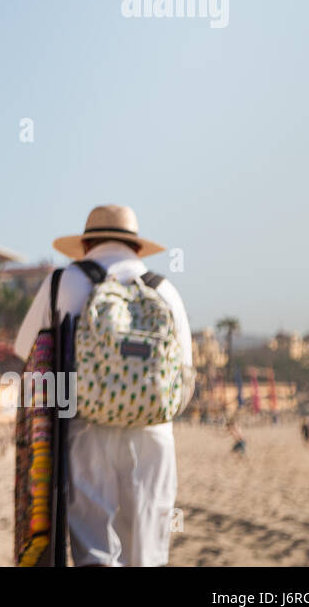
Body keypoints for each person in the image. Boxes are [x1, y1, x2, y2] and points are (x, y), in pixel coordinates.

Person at [13, 205, 193, 567]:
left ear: (86, 243)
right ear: (138, 247)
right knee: (147, 553)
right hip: (154, 432)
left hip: (84, 426)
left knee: (94, 548)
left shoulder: (62, 282)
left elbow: (25, 351)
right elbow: (185, 376)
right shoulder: (166, 290)